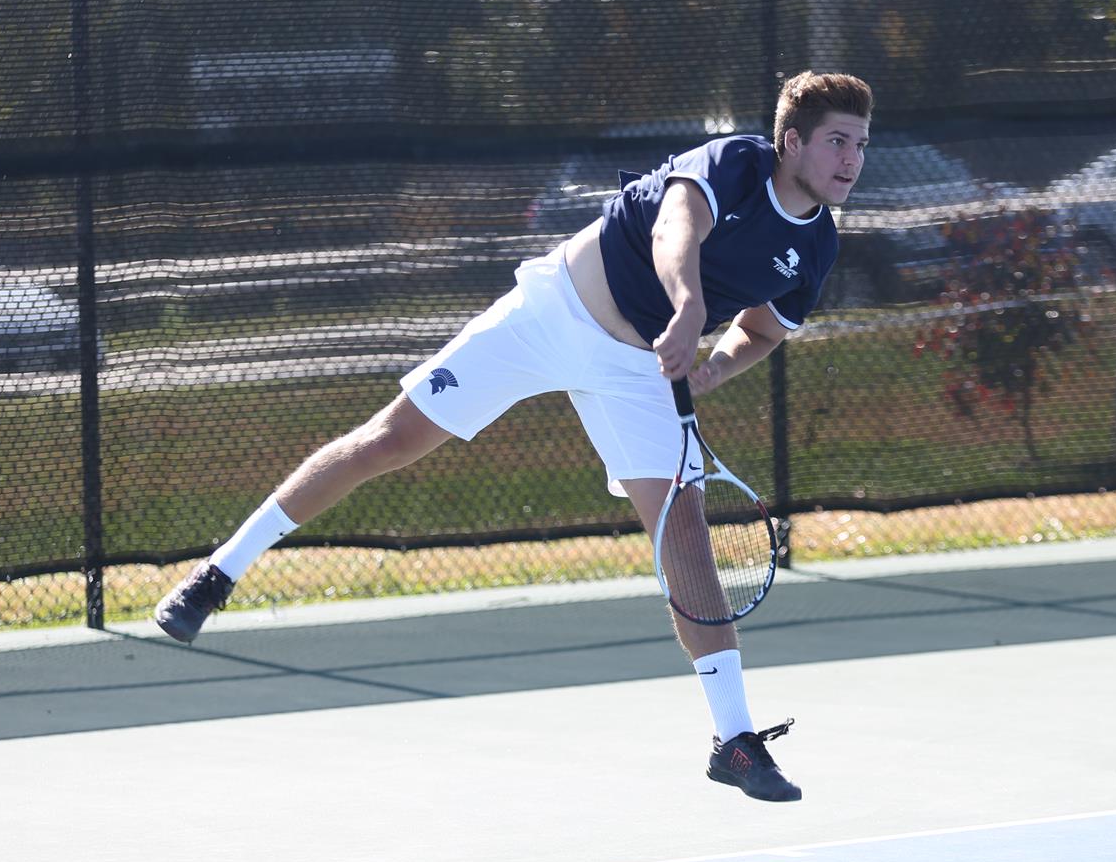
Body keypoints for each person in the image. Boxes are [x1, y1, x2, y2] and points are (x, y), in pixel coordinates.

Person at [153, 71, 873, 802]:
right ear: (792, 142)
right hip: (555, 311)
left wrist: (715, 369)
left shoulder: (816, 249)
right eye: (837, 141)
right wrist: (688, 306)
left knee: (685, 535)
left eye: (861, 145)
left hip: (639, 374)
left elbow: (763, 328)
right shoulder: (733, 164)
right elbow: (673, 230)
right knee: (389, 440)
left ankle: (734, 740)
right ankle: (218, 572)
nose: (852, 159)